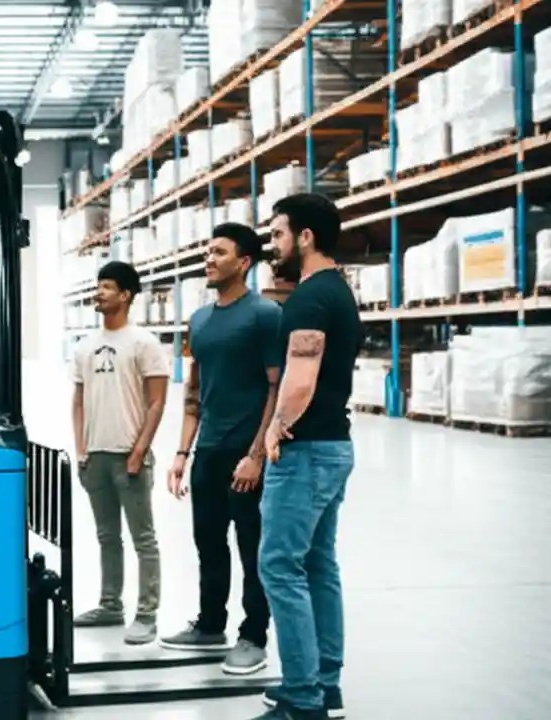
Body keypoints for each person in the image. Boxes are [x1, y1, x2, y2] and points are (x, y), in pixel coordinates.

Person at [253, 193, 361, 720]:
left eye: (277, 234)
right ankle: (325, 681)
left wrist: (275, 428)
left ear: (306, 237)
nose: (272, 245)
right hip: (334, 446)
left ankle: (302, 696)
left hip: (307, 451)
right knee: (318, 563)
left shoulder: (309, 298)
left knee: (279, 564)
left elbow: (300, 379)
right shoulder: (338, 291)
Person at [161, 223, 280, 677]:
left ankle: (254, 636)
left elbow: (275, 387)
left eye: (219, 252)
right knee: (208, 543)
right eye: (207, 252)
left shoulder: (264, 315)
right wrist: (181, 453)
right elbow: (194, 390)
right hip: (208, 450)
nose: (208, 259)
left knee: (252, 546)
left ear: (244, 262)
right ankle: (211, 625)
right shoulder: (200, 320)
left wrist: (255, 454)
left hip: (245, 451)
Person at [70, 260, 169, 646]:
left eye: (107, 287)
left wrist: (138, 450)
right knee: (106, 536)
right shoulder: (84, 346)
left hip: (130, 455)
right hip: (95, 457)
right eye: (98, 286)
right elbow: (77, 401)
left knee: (143, 537)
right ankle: (110, 605)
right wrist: (81, 450)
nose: (99, 292)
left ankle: (147, 614)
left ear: (126, 295)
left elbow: (157, 402)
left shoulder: (143, 343)